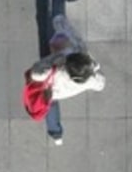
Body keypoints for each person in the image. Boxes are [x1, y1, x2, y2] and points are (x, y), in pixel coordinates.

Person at [26, 15, 105, 145]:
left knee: (49, 105)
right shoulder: (90, 78)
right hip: (62, 91)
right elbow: (101, 84)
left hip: (51, 87)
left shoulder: (61, 64)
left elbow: (35, 73)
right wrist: (95, 68)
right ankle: (56, 135)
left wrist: (57, 57)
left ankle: (56, 133)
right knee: (51, 105)